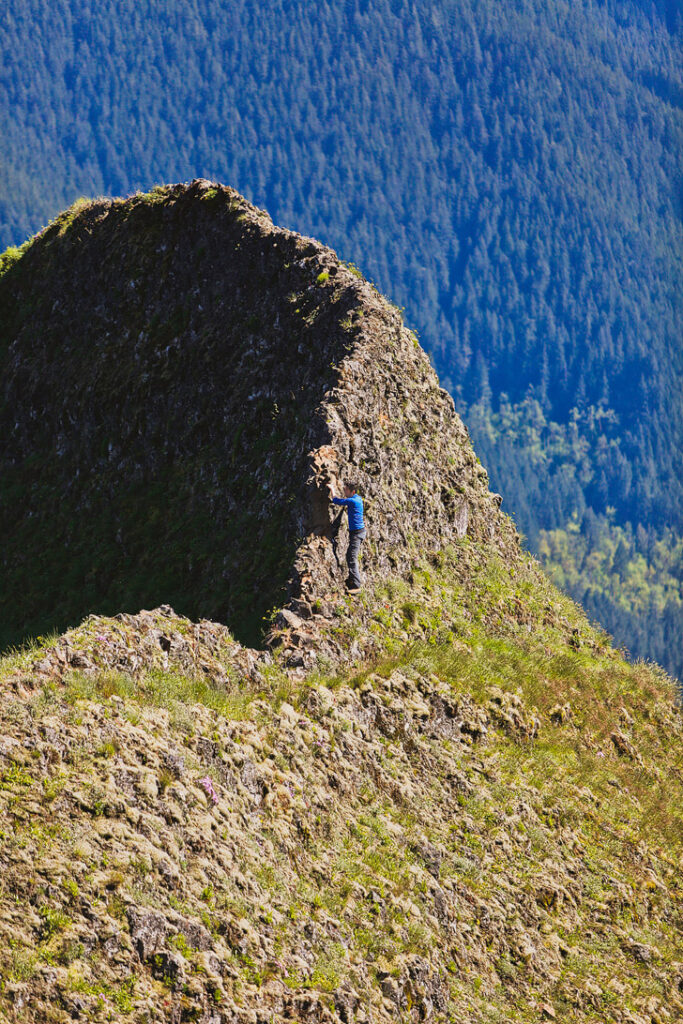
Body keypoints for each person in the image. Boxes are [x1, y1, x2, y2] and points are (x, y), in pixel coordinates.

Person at [331, 481, 366, 593]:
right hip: (357, 532)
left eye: (346, 490)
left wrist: (332, 488)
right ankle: (352, 580)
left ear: (352, 491)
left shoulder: (352, 501)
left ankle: (356, 586)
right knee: (349, 555)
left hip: (357, 533)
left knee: (351, 557)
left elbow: (336, 501)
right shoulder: (358, 498)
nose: (344, 491)